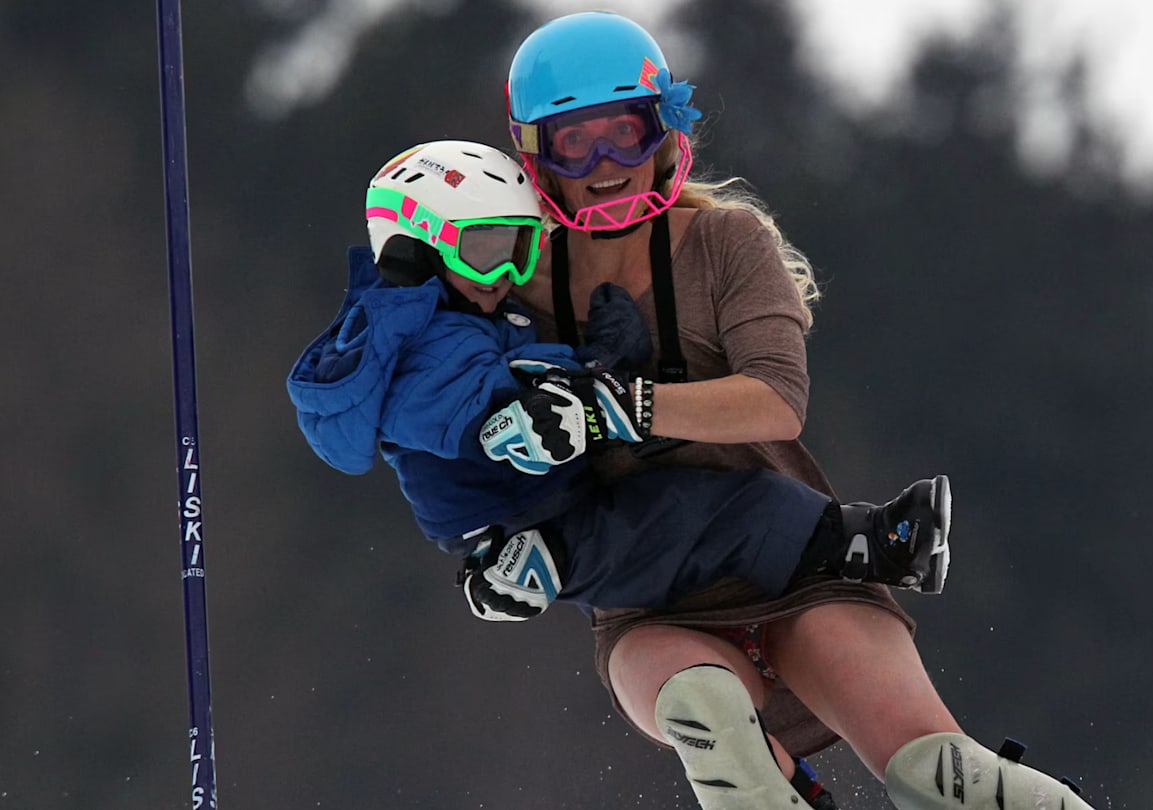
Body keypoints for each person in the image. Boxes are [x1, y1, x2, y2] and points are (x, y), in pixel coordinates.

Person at [496, 11, 1099, 810]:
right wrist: (486, 551)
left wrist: (618, 409)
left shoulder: (725, 244)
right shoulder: (512, 281)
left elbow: (776, 402)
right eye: (578, 141)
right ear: (537, 154)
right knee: (718, 740)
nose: (608, 162)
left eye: (626, 132)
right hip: (650, 605)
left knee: (945, 781)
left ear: (665, 132)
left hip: (800, 572)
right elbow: (443, 425)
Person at [285, 139, 952, 629]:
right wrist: (591, 374)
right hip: (519, 514)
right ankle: (866, 544)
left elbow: (529, 376)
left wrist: (599, 364)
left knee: (703, 498)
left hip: (551, 492)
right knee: (704, 514)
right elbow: (484, 412)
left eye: (519, 250)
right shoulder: (406, 346)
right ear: (415, 245)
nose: (501, 276)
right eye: (484, 251)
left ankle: (851, 549)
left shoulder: (458, 313)